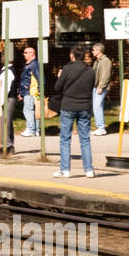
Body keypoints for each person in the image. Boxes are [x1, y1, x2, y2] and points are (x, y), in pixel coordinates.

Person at [52, 44, 96, 178]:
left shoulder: (67, 69)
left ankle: (65, 170)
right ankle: (89, 170)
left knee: (65, 139)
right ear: (84, 55)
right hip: (85, 107)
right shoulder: (90, 71)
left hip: (68, 106)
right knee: (85, 139)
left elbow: (57, 88)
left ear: (72, 55)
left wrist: (60, 76)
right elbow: (92, 86)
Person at [91, 43, 113, 136]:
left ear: (98, 51)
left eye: (93, 50)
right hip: (96, 87)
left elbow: (105, 75)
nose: (92, 52)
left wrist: (101, 86)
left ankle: (101, 128)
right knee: (96, 107)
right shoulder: (97, 61)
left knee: (97, 107)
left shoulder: (105, 61)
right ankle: (100, 127)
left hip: (100, 88)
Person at [18, 46, 39, 137]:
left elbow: (39, 77)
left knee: (28, 110)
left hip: (30, 91)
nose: (24, 54)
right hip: (29, 91)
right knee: (35, 111)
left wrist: (39, 89)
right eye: (24, 52)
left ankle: (31, 130)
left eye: (26, 52)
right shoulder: (30, 64)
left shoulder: (33, 64)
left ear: (32, 53)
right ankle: (36, 129)